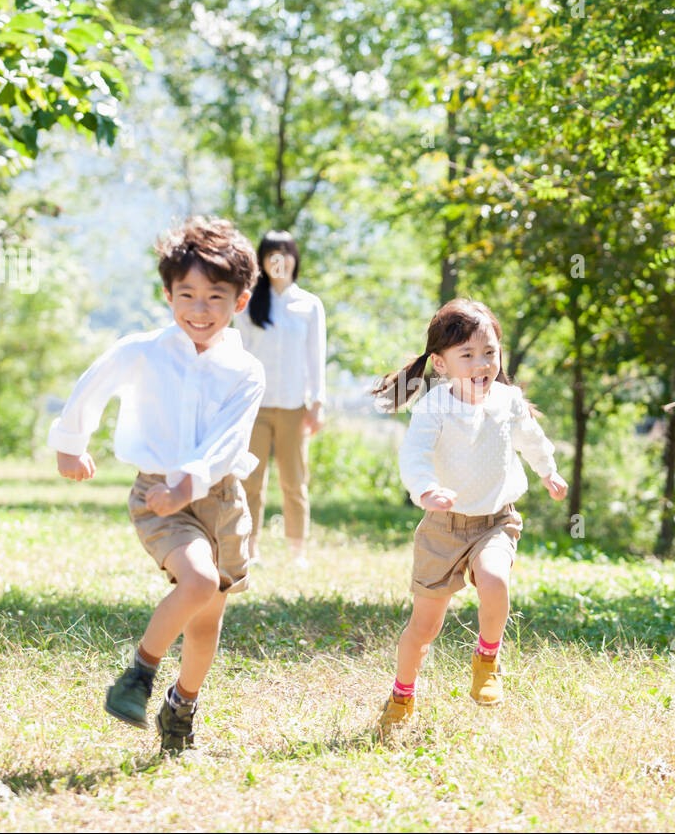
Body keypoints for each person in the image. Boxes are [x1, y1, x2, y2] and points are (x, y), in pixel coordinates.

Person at [48, 216, 264, 755]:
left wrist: (192, 484)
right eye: (186, 293)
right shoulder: (142, 350)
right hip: (160, 498)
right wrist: (70, 442)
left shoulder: (245, 371)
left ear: (239, 301)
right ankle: (138, 676)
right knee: (196, 582)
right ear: (167, 294)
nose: (198, 308)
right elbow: (92, 384)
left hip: (223, 501)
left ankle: (181, 705)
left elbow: (225, 443)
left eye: (215, 296)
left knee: (208, 616)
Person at [370, 298, 568, 739]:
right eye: (468, 355)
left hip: (496, 520)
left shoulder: (508, 400)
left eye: (490, 353)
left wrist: (549, 471)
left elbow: (531, 439)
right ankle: (403, 693)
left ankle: (487, 658)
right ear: (440, 364)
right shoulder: (435, 407)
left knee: (495, 579)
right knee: (424, 627)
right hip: (444, 527)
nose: (482, 364)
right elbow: (415, 453)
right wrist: (425, 488)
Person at [234, 231, 326, 568]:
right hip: (254, 406)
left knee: (294, 481)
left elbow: (316, 357)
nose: (278, 259)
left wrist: (318, 403)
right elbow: (238, 354)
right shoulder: (247, 304)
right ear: (261, 260)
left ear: (294, 258)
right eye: (271, 253)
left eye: (284, 252)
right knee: (250, 481)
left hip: (293, 407)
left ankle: (296, 553)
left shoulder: (309, 305)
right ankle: (249, 548)